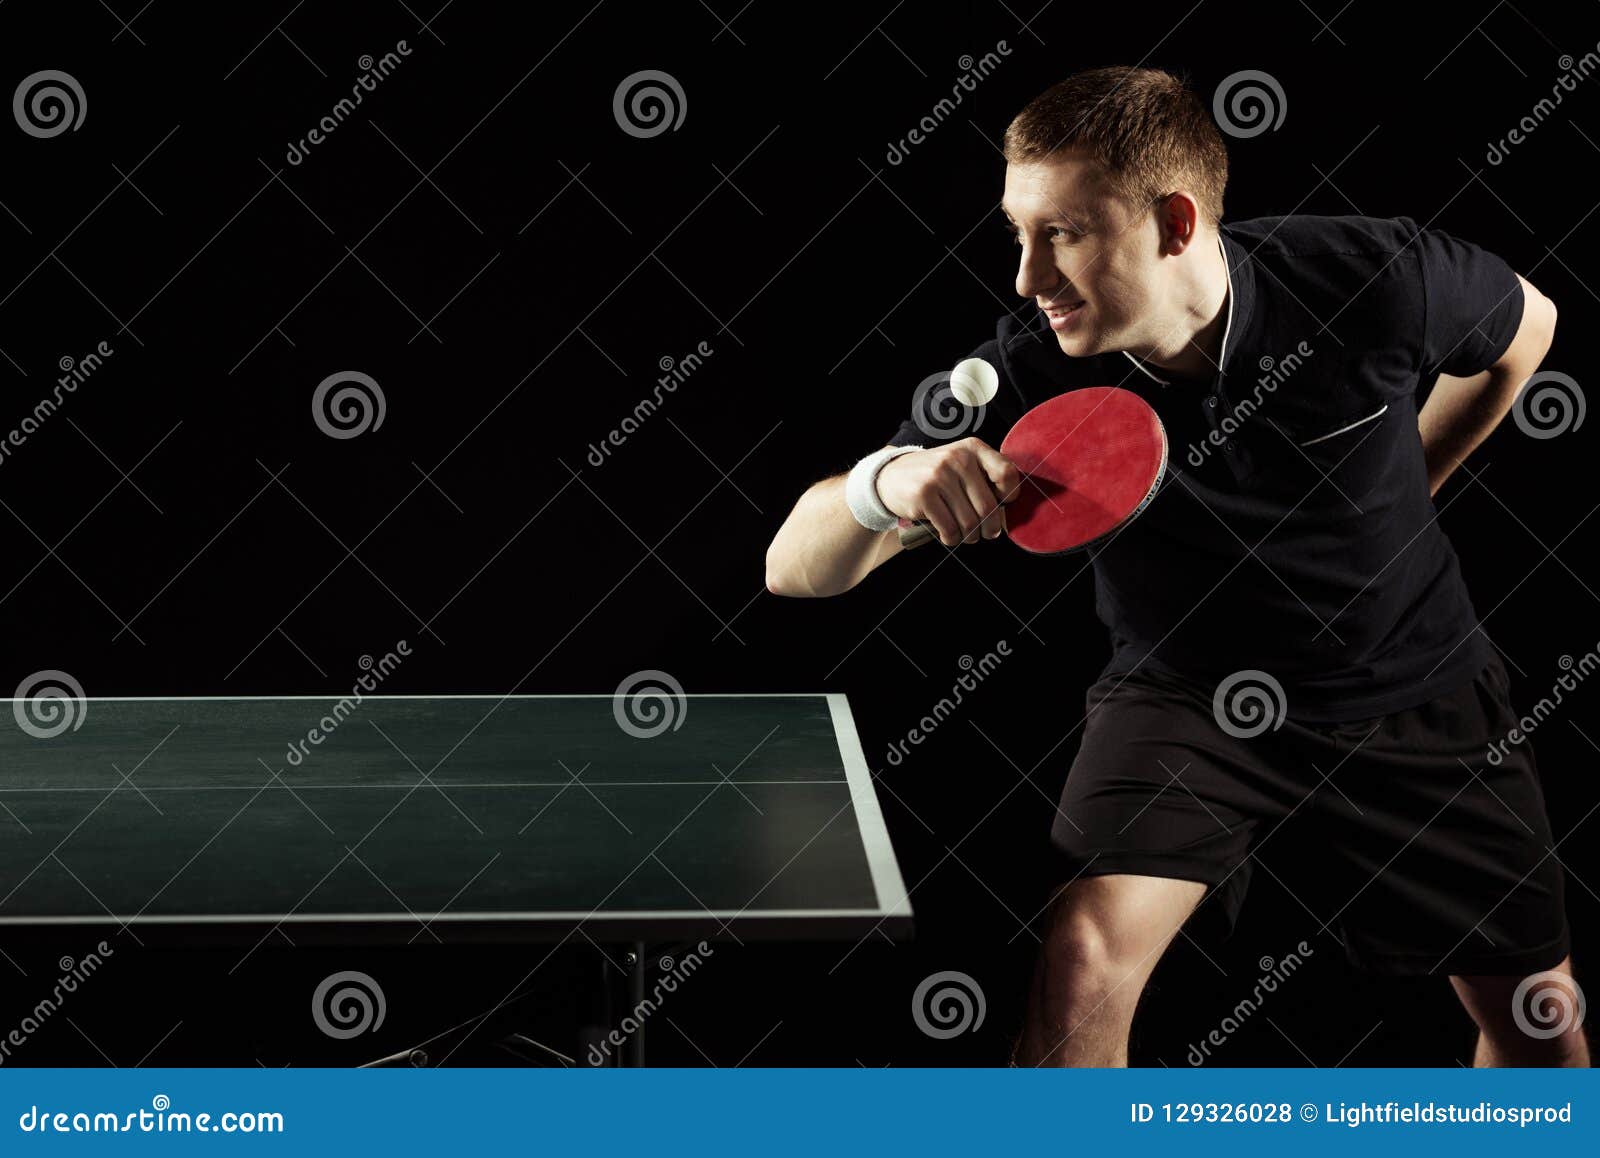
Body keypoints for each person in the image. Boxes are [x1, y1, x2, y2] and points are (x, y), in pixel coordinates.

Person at [765, 66, 1587, 1067]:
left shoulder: (1371, 279)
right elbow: (792, 568)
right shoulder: (1028, 369)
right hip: (1186, 695)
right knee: (1080, 961)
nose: (1026, 277)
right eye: (1017, 232)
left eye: (1063, 233)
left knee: (1538, 1020)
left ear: (1176, 222)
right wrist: (886, 484)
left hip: (1413, 683)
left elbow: (1529, 327)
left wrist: (1414, 479)